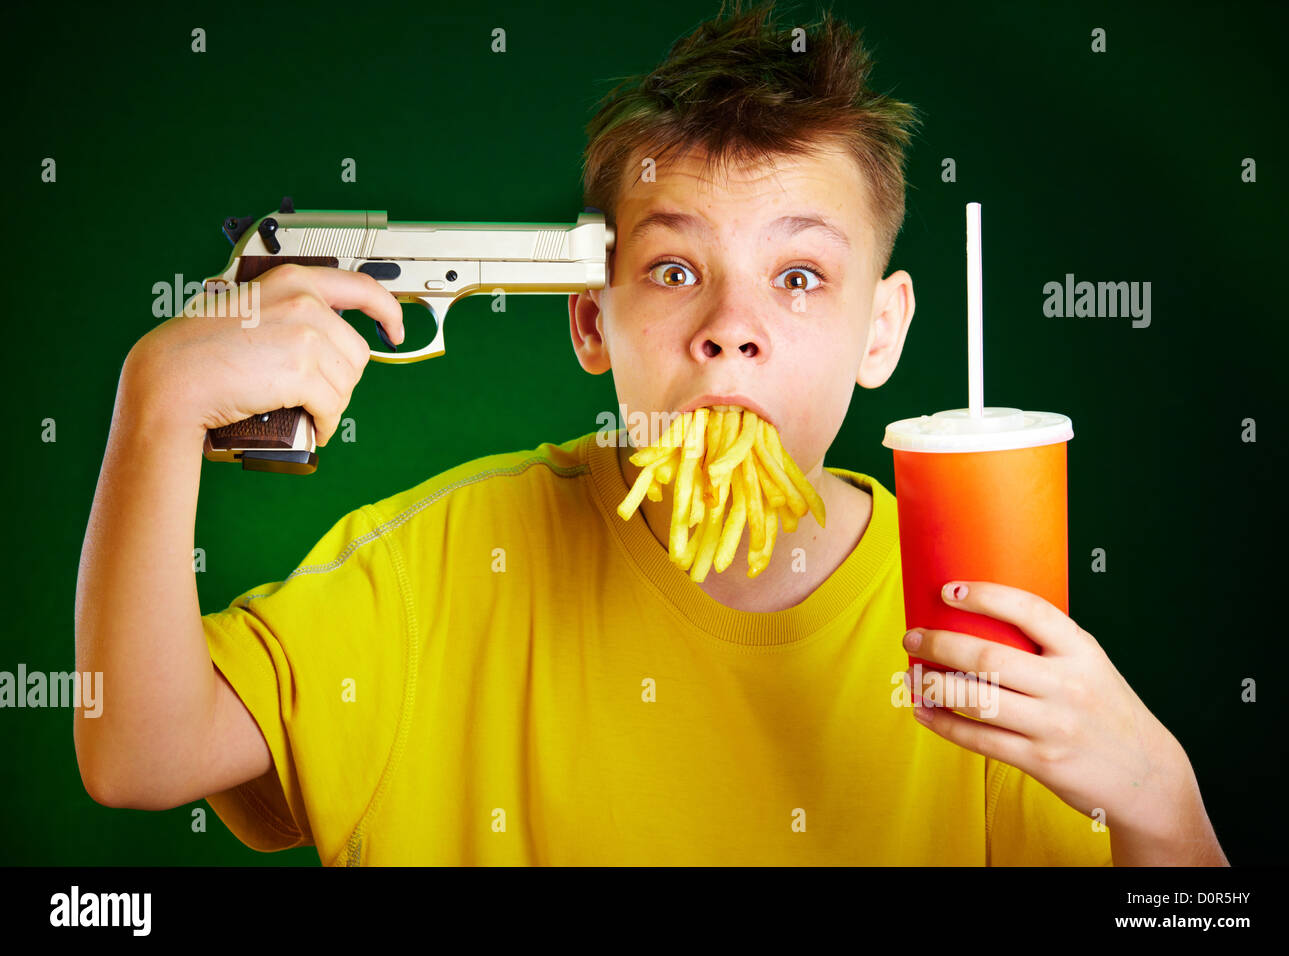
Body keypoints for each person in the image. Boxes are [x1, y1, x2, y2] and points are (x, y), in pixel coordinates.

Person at [73, 0, 1226, 866]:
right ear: (591, 321)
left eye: (799, 277)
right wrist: (156, 411)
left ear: (884, 331)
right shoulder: (442, 563)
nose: (732, 330)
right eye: (675, 270)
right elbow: (138, 754)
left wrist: (1161, 799)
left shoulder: (968, 616)